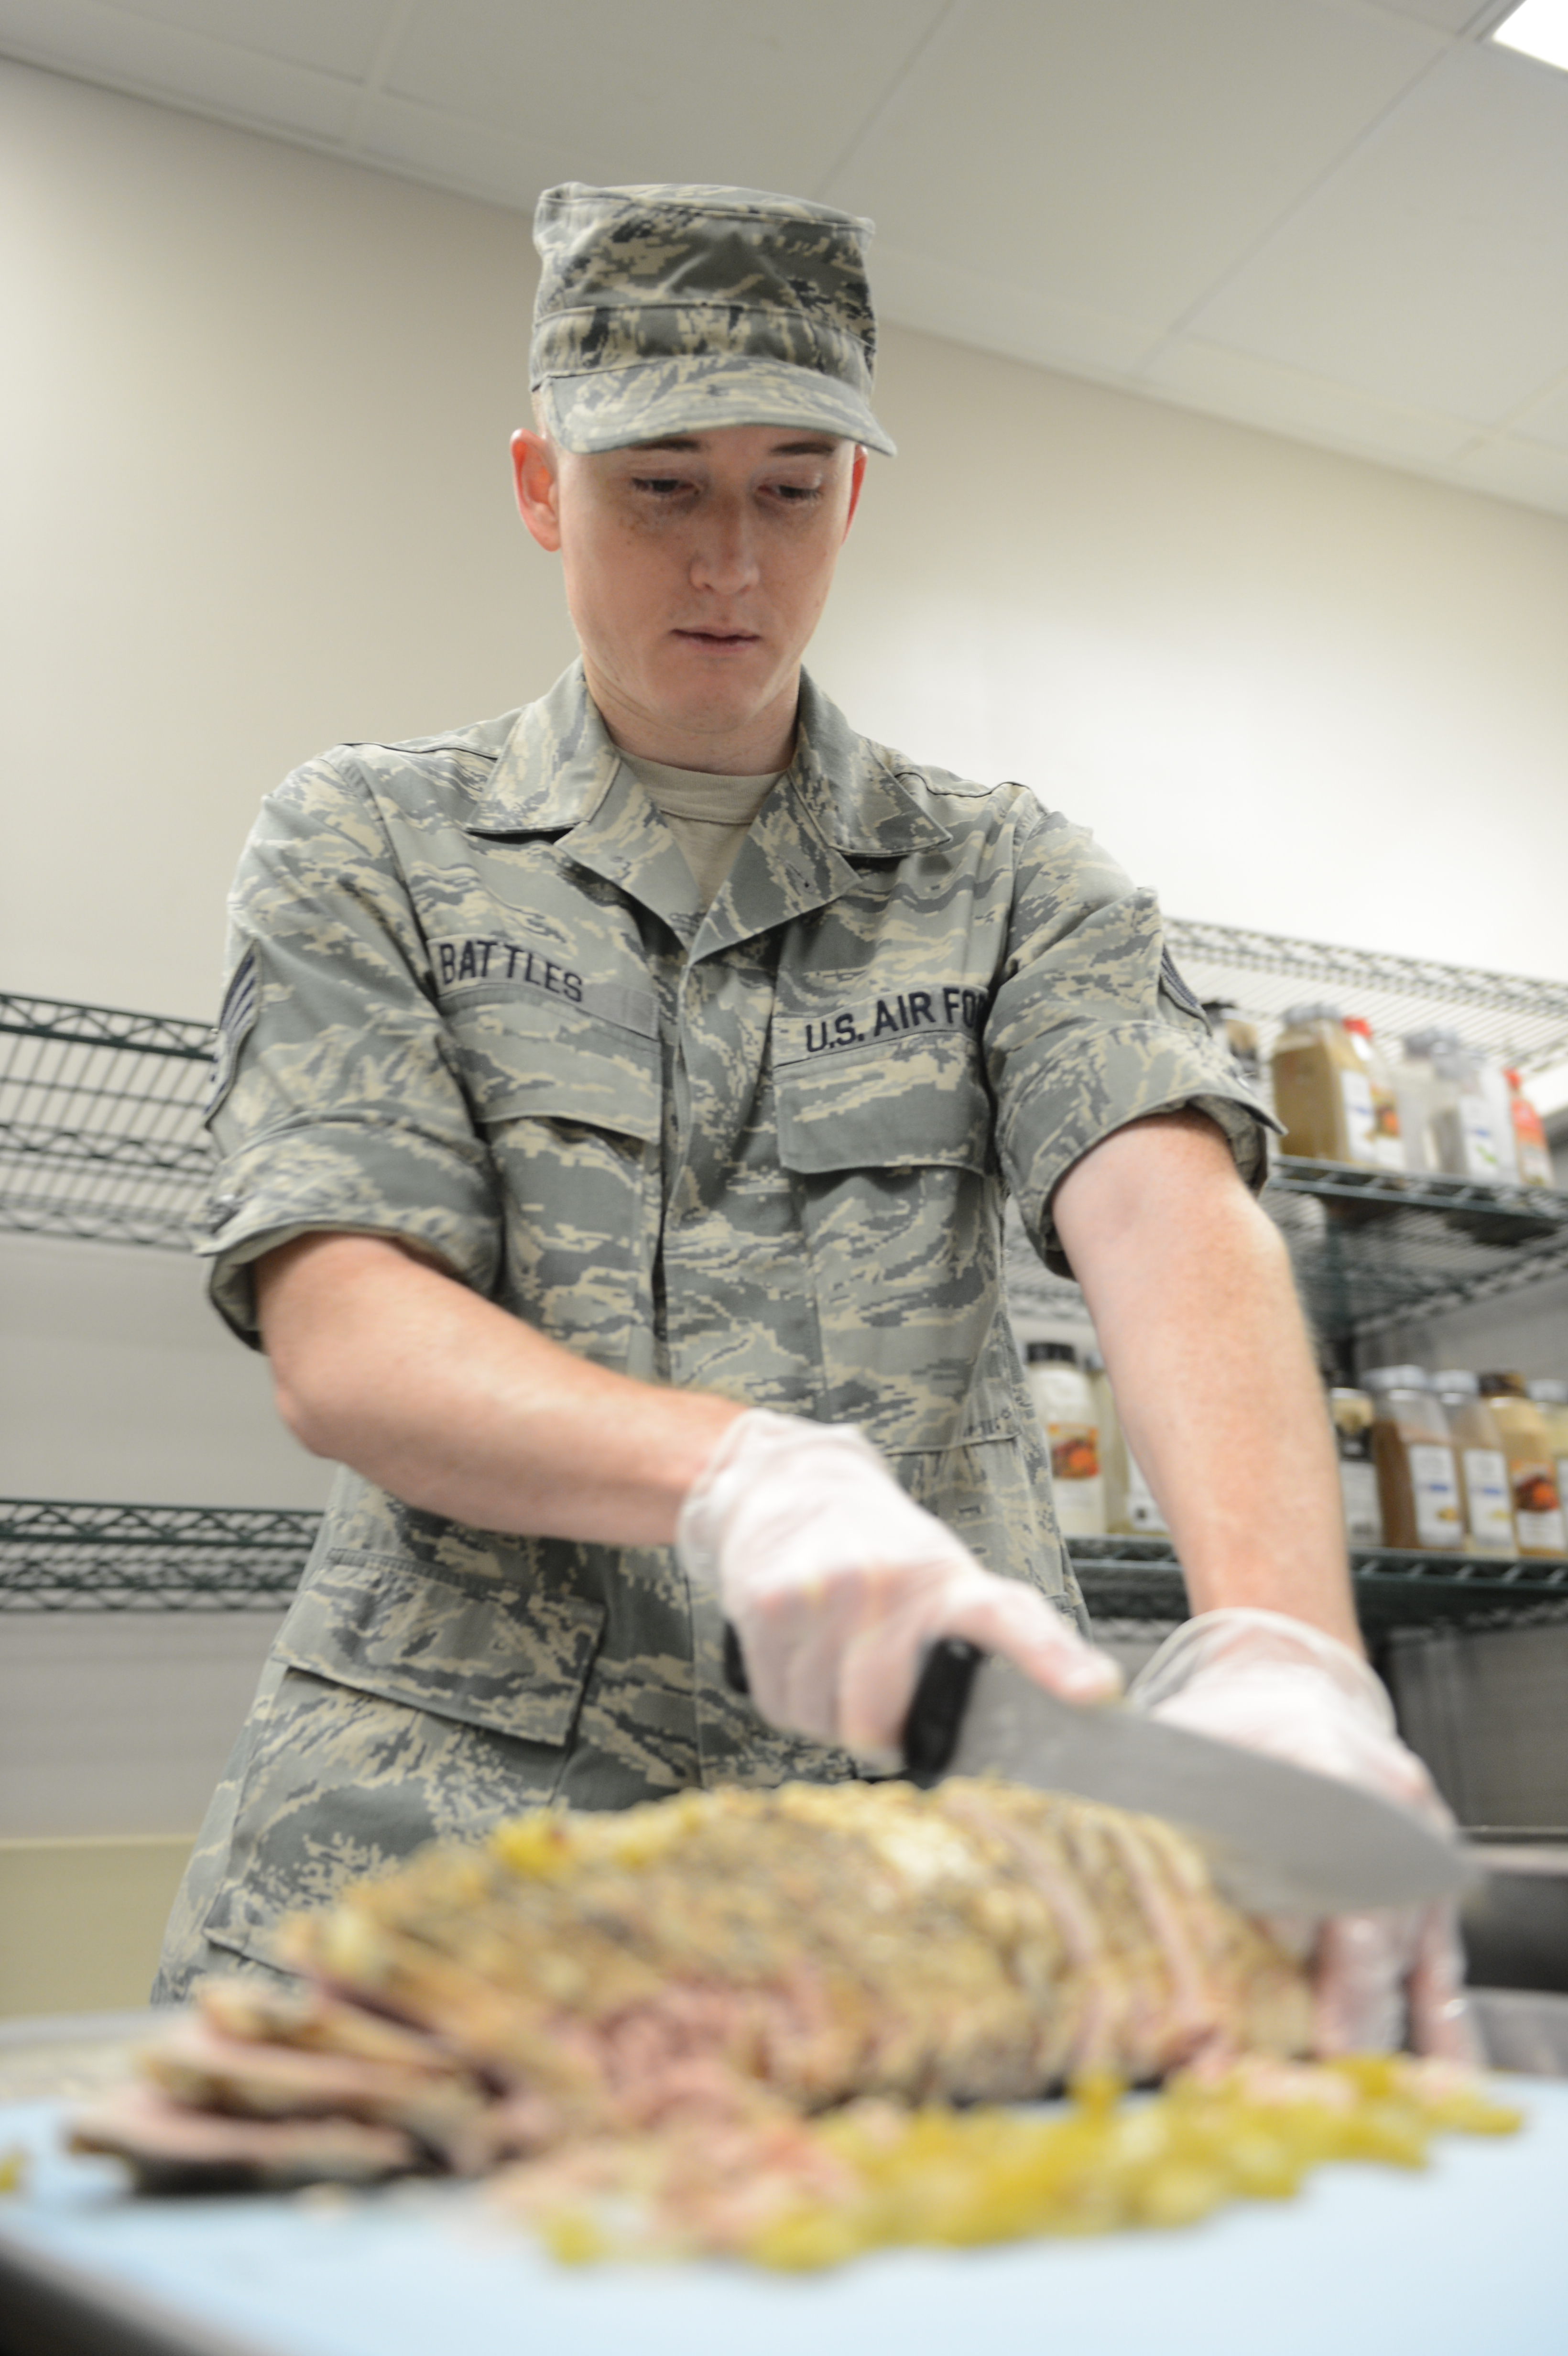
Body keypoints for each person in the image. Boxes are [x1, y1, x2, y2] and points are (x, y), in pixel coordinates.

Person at [154, 183, 1468, 2059]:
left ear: (853, 498)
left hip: (912, 1824)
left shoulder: (1006, 872)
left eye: (788, 486)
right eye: (660, 485)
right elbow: (347, 1324)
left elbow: (1166, 1204)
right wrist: (731, 1467)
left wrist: (1282, 1643)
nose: (729, 560)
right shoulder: (370, 837)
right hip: (442, 1814)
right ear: (544, 486)